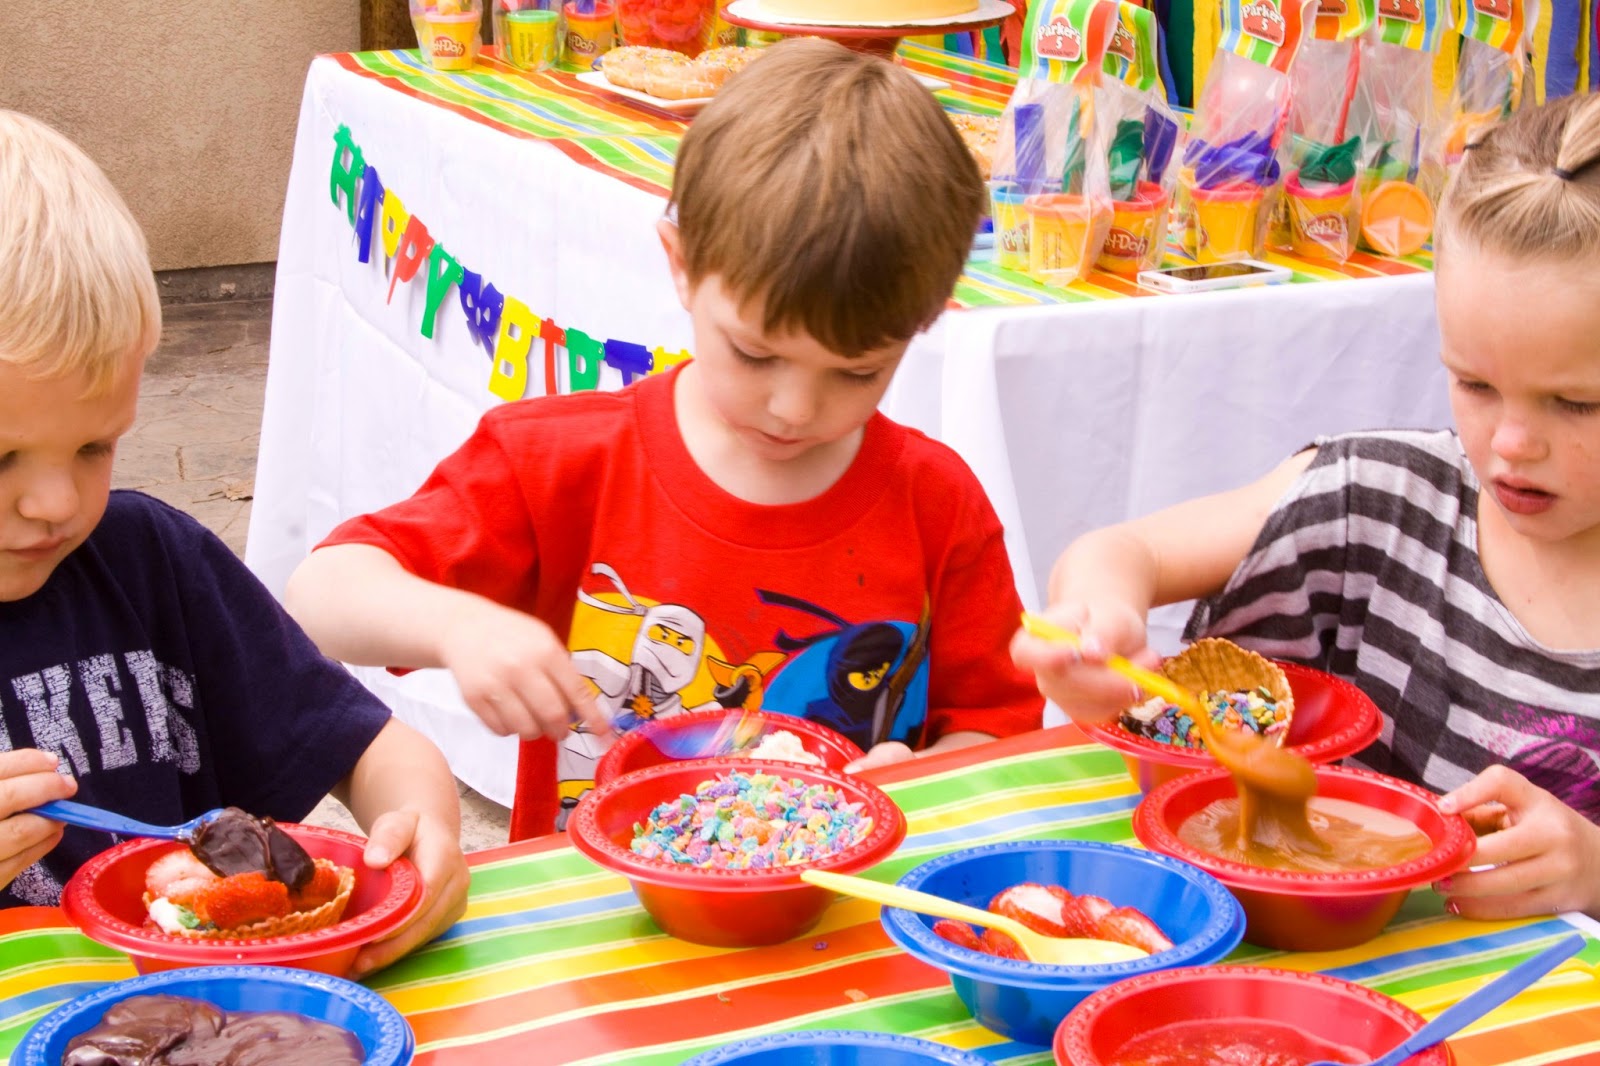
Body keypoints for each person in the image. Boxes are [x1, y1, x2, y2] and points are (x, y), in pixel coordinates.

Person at [284, 38, 1044, 838]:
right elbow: (320, 596)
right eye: (755, 353)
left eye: (857, 373)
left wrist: (927, 780)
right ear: (680, 264)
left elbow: (996, 732)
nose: (793, 407)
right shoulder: (560, 461)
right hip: (599, 916)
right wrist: (458, 625)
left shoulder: (936, 500)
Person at [1012, 92, 1600, 922]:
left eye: (1574, 404)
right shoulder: (1382, 500)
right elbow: (1123, 554)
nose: (1509, 442)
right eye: (1474, 383)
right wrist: (1100, 617)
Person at [0, 109, 468, 977]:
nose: (56, 501)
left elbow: (372, 749)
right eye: (0, 458)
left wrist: (423, 835)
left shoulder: (151, 563)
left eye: (95, 445)